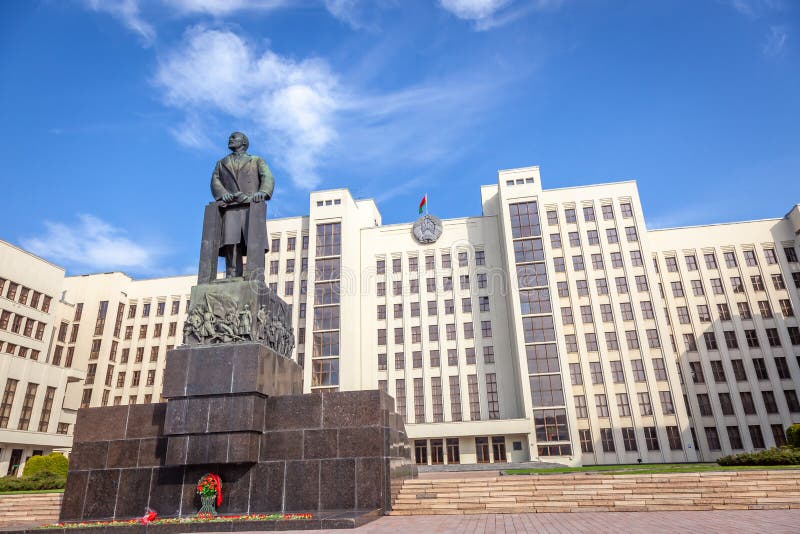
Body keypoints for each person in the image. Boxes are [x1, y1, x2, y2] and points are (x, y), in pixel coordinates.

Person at [210, 132, 275, 277]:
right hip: (231, 206)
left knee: (254, 242)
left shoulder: (256, 160)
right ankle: (232, 274)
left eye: (234, 137)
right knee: (230, 242)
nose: (230, 139)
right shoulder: (222, 163)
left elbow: (267, 177)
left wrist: (263, 192)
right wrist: (222, 194)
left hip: (250, 206)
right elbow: (215, 180)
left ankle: (255, 276)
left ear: (244, 142)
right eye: (230, 137)